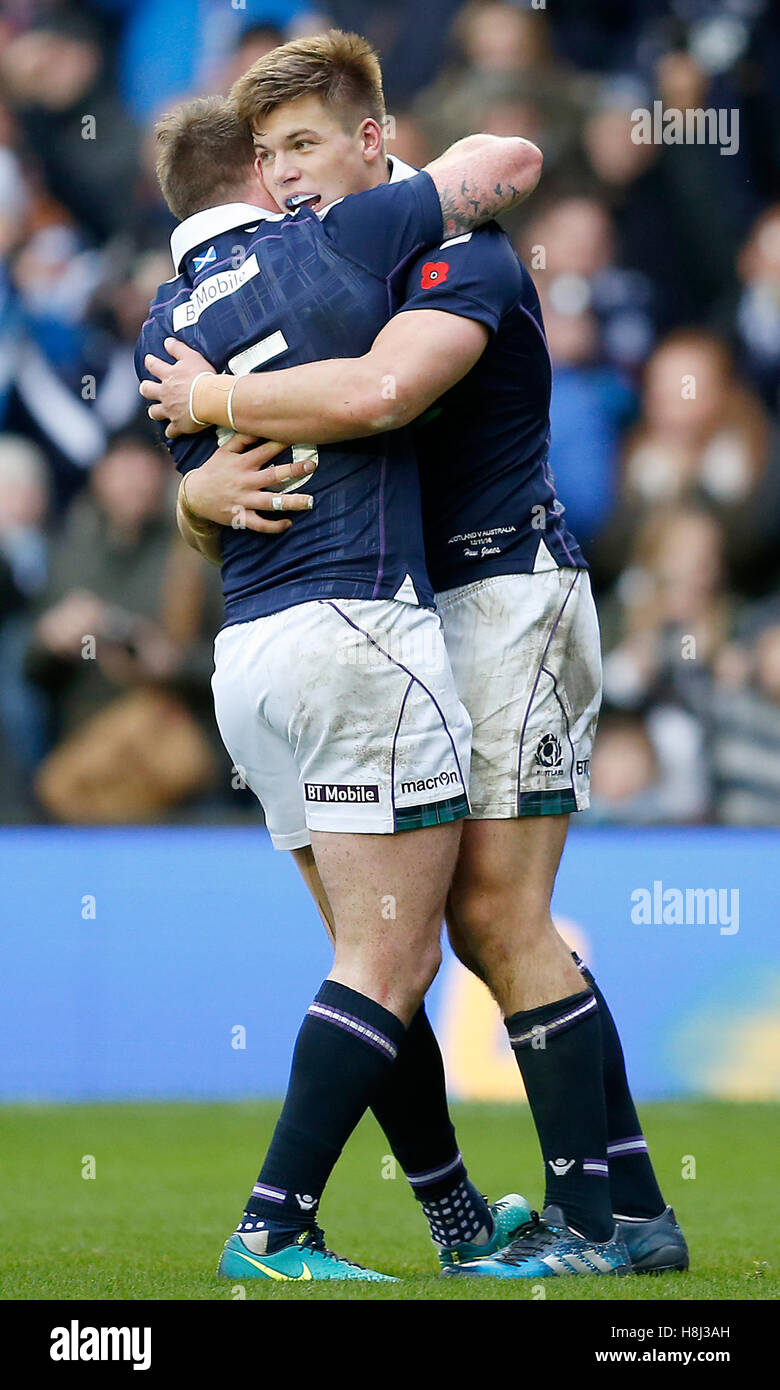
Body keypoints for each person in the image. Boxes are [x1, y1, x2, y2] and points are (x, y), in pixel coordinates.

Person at [144, 32, 689, 1280]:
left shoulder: (460, 254)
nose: (283, 179)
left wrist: (212, 402)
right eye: (267, 157)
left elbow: (385, 396)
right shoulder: (330, 270)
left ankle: (591, 1223)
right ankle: (631, 1210)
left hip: (512, 592)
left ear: (376, 144)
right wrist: (198, 495)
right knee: (432, 933)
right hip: (417, 616)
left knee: (498, 916)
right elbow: (252, 477)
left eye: (305, 148)